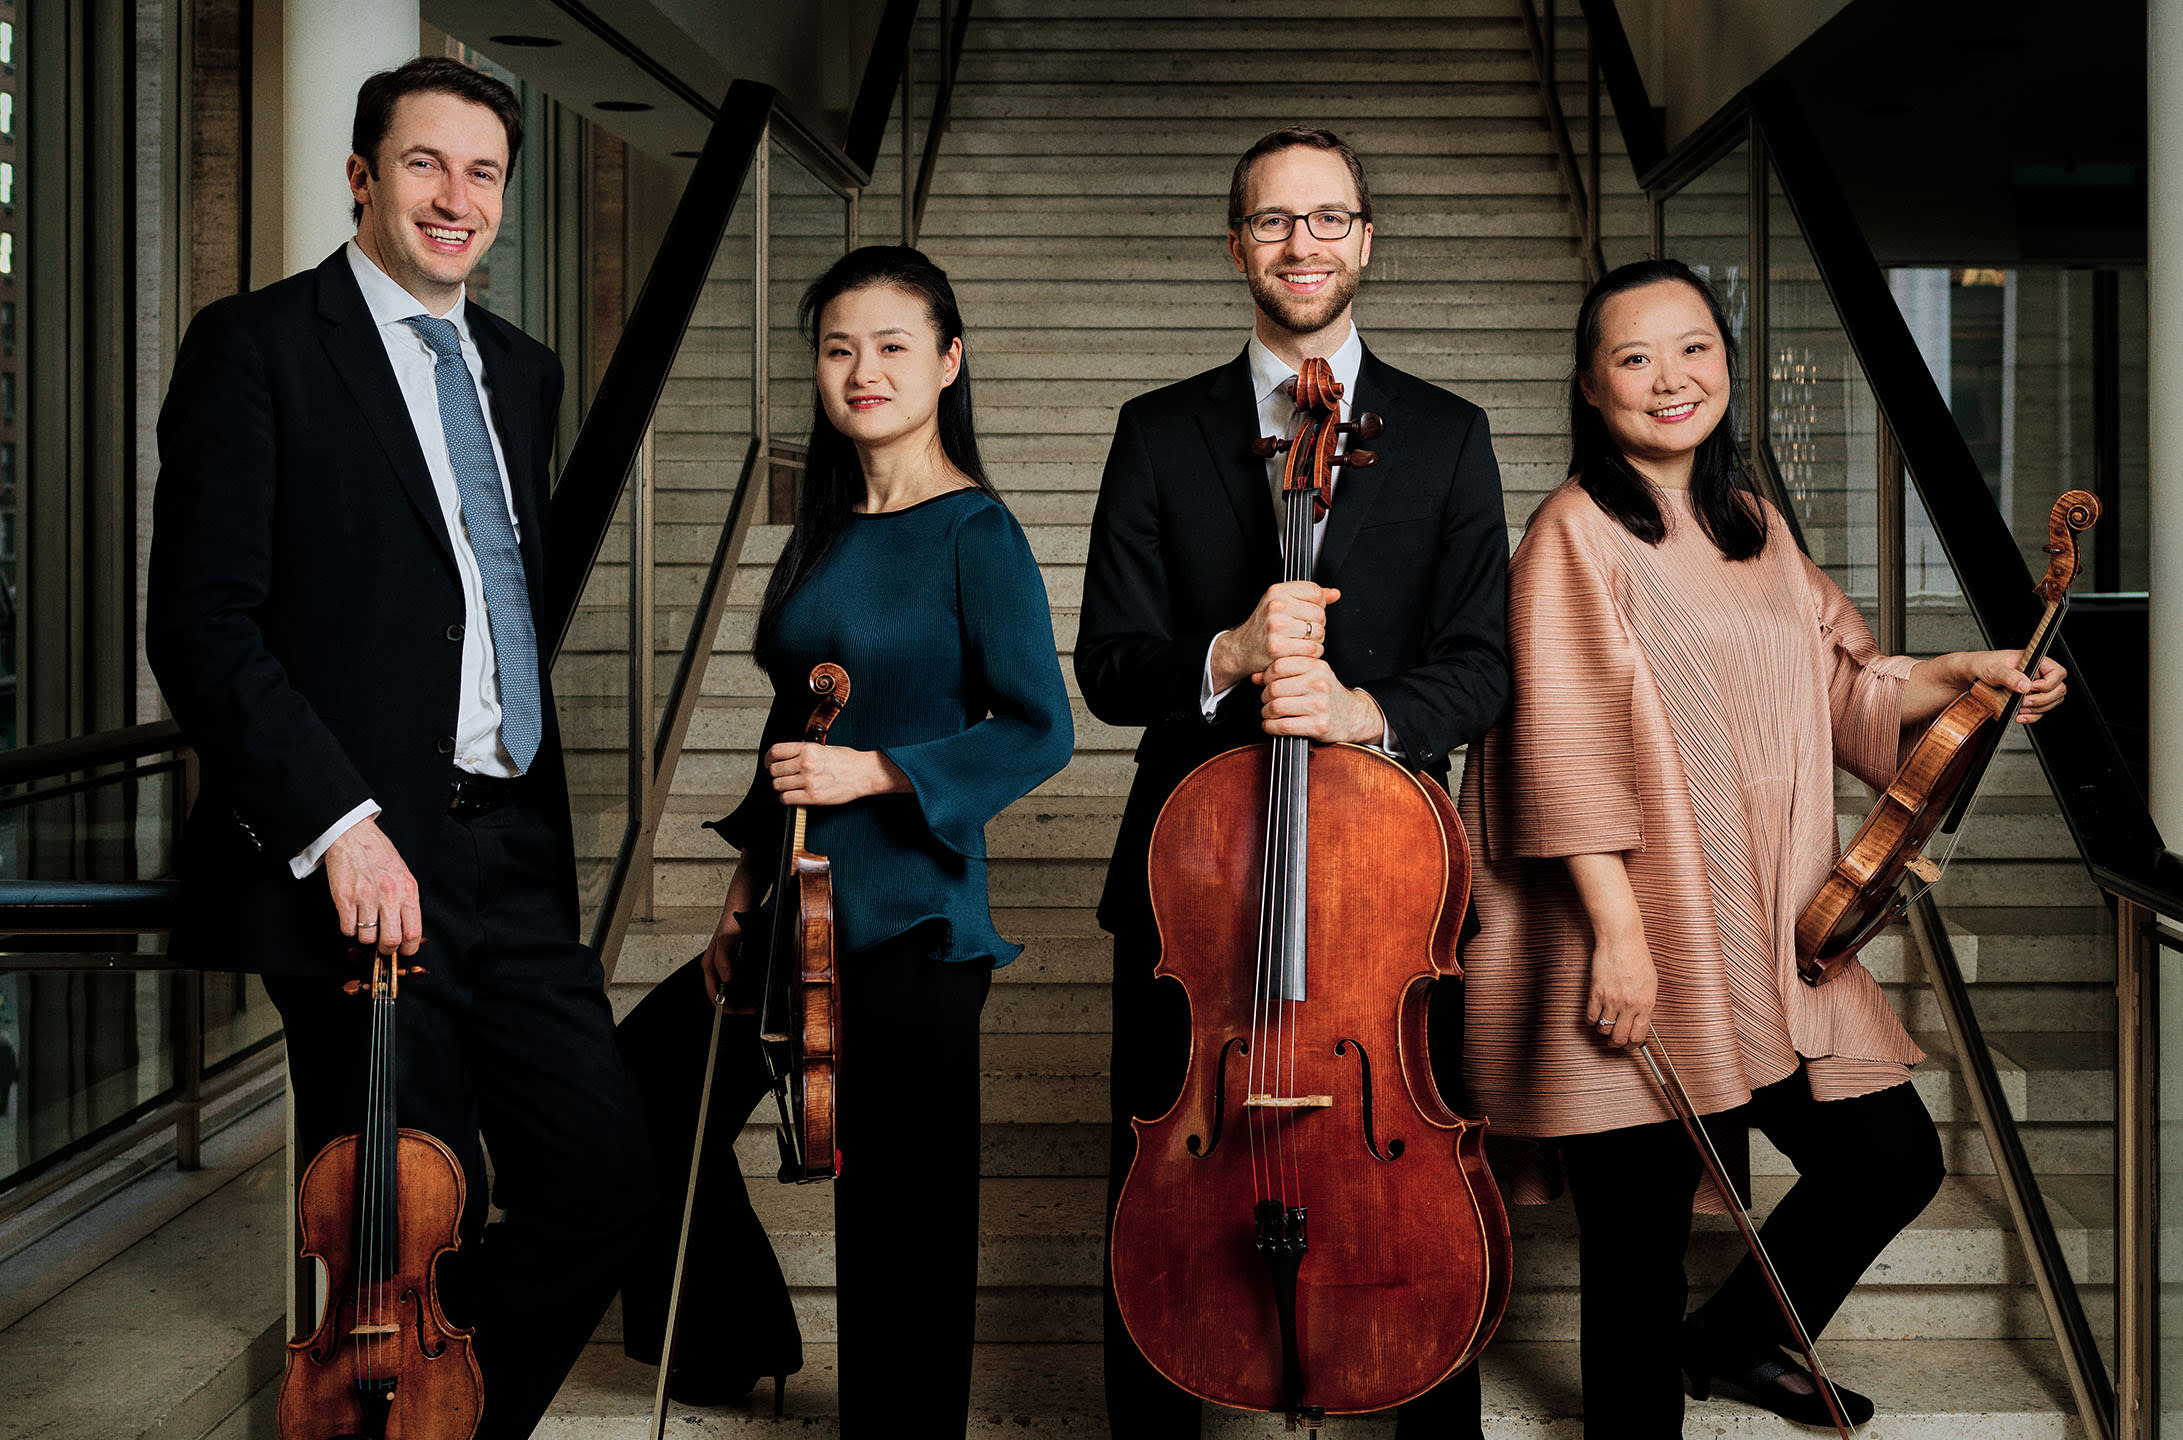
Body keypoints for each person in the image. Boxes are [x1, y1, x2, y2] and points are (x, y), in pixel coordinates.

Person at [1457, 259, 2067, 1437]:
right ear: (1588, 386)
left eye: (1694, 348)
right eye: (1633, 358)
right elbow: (1562, 742)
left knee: (1887, 1158)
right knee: (1632, 1247)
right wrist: (1618, 941)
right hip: (1644, 927)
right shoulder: (1571, 534)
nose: (1670, 378)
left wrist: (1963, 676)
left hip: (1774, 926)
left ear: (1728, 365)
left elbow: (1837, 683)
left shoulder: (1753, 523)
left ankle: (1734, 1338)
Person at [146, 58, 650, 1440]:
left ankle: (444, 1428)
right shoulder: (255, 347)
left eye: (483, 172)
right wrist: (338, 823)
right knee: (399, 1241)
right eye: (424, 164)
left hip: (513, 855)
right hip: (359, 867)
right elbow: (201, 623)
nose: (455, 196)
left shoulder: (526, 375)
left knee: (605, 1180)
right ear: (362, 177)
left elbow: (474, 617)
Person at [1075, 126, 1512, 1438]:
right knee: (1158, 1190)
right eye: (1274, 221)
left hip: (1391, 891)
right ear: (1236, 245)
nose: (1302, 243)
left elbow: (1484, 663)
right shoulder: (1158, 432)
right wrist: (1227, 654)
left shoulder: (1444, 435)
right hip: (1193, 897)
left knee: (1419, 1177)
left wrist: (1372, 710)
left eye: (1328, 219)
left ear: (1366, 241)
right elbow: (1108, 662)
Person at [613, 245, 1073, 1437]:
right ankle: (733, 1331)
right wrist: (740, 888)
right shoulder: (819, 531)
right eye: (836, 349)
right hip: (795, 903)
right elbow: (789, 723)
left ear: (947, 361)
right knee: (640, 1089)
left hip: (914, 922)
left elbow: (1038, 728)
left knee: (903, 1225)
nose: (861, 371)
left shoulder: (977, 533)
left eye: (890, 346)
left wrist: (877, 770)